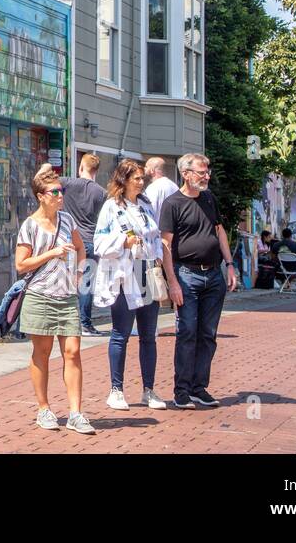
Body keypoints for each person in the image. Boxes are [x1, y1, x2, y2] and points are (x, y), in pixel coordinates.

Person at [17, 163, 94, 435]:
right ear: (41, 196)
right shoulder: (30, 226)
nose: (60, 196)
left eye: (61, 191)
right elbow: (21, 265)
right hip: (40, 296)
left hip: (67, 296)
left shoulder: (67, 220)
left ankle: (75, 413)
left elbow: (82, 249)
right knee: (42, 353)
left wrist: (79, 272)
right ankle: (44, 408)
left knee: (73, 352)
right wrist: (51, 253)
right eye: (54, 192)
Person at [158, 153, 237, 410]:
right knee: (187, 332)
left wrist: (230, 265)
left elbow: (218, 230)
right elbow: (165, 245)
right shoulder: (173, 203)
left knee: (207, 334)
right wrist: (173, 282)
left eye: (207, 172)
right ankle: (181, 390)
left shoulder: (209, 198)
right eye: (201, 172)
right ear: (186, 173)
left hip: (214, 274)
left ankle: (198, 388)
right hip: (186, 275)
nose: (206, 176)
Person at [93, 160, 168, 411]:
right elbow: (99, 243)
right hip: (125, 275)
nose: (141, 182)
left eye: (141, 178)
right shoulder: (111, 208)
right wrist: (122, 242)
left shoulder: (146, 205)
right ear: (123, 180)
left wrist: (157, 255)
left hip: (147, 271)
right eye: (135, 178)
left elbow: (155, 236)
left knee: (149, 335)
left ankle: (149, 389)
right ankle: (116, 389)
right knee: (120, 333)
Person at [61, 153, 107, 336]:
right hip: (90, 241)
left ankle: (65, 320)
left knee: (64, 281)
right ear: (96, 170)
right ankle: (84, 324)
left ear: (81, 167)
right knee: (86, 284)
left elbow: (45, 178)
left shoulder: (67, 183)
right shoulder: (101, 192)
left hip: (69, 241)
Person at [142, 157, 180, 222]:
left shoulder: (153, 188)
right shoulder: (175, 186)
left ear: (152, 170)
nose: (144, 169)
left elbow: (149, 212)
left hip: (158, 230)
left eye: (146, 167)